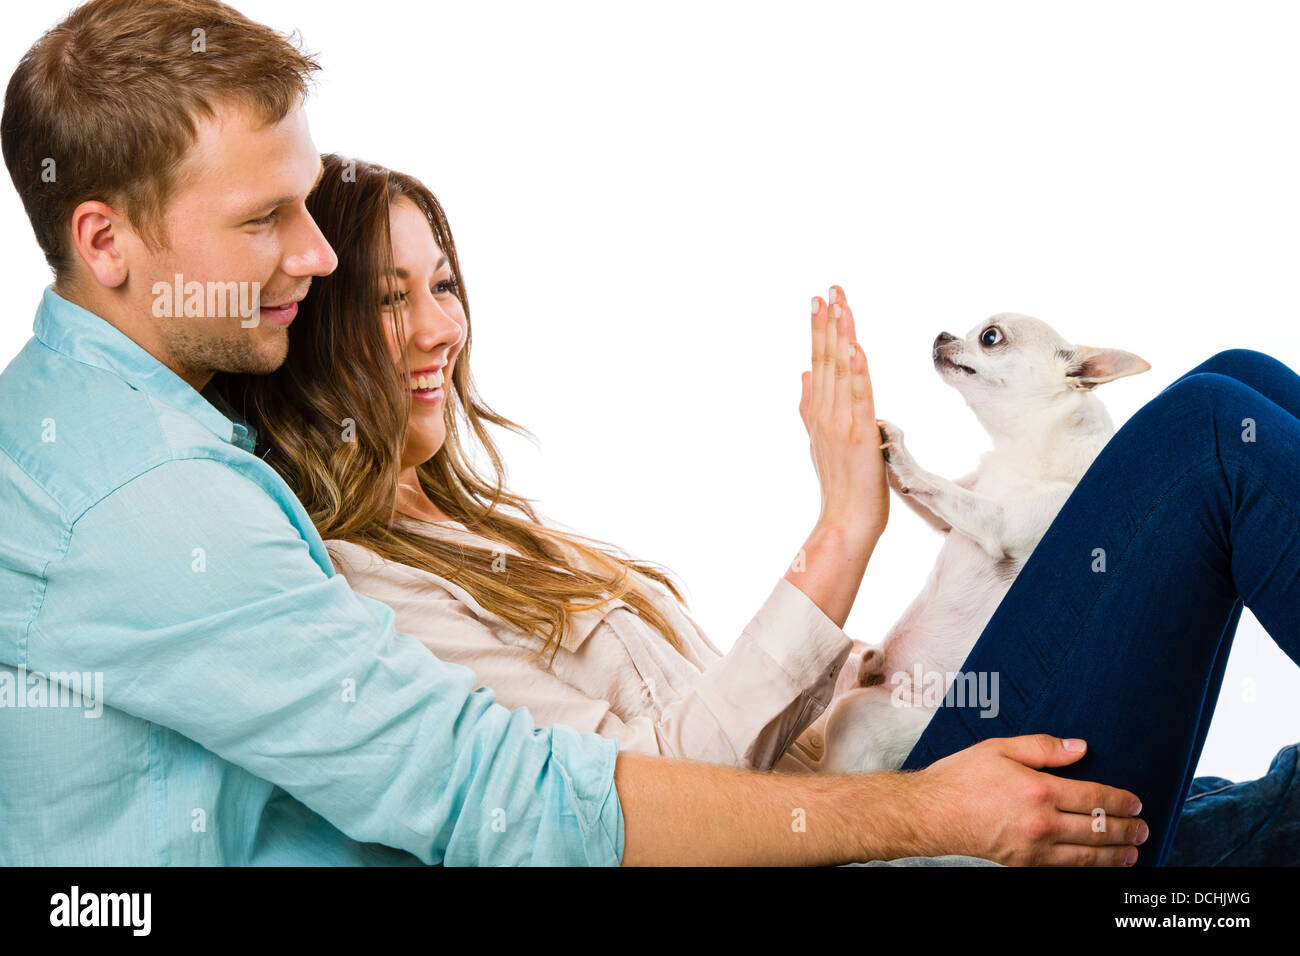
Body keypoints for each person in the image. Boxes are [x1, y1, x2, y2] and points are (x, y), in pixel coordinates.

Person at [0, 0, 1148, 867]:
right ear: (106, 243)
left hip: (877, 799)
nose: (312, 254)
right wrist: (918, 791)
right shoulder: (157, 500)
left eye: (438, 282)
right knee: (1205, 443)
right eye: (266, 219)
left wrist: (912, 672)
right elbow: (511, 794)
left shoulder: (152, 446)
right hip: (858, 839)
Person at [215, 153, 1300, 867]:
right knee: (1210, 432)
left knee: (1242, 380)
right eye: (385, 299)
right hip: (890, 835)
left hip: (888, 769)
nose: (436, 328)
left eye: (442, 284)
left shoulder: (491, 532)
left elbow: (750, 744)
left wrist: (870, 677)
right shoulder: (370, 590)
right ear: (314, 333)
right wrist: (841, 531)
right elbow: (635, 808)